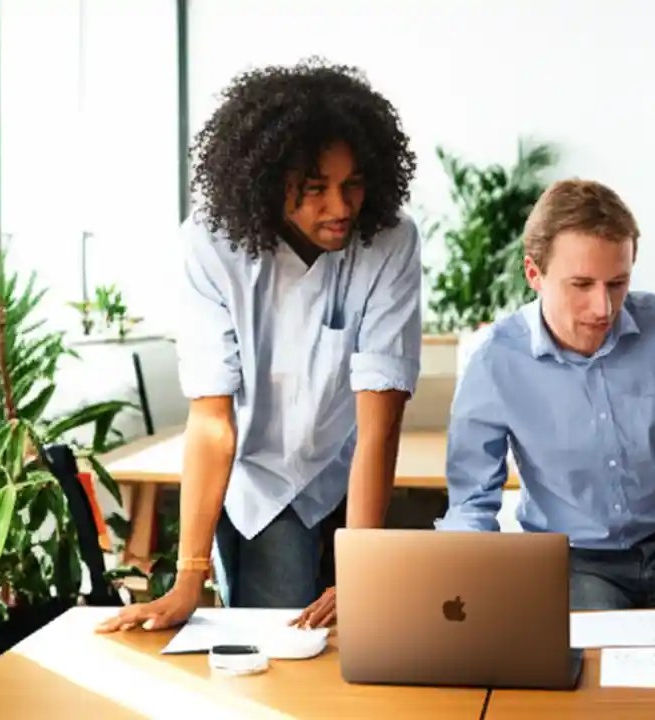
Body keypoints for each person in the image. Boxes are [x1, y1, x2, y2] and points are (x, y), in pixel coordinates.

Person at [97, 59, 421, 633]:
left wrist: (361, 569)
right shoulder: (211, 245)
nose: (341, 207)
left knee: (365, 628)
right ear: (270, 182)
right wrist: (187, 581)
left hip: (347, 462)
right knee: (280, 641)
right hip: (257, 477)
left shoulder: (389, 240)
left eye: (352, 184)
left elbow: (381, 421)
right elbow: (212, 421)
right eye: (315, 189)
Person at [437, 179, 655, 611]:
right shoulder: (495, 360)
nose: (603, 308)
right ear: (534, 274)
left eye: (617, 283)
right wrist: (463, 583)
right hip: (574, 561)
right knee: (585, 652)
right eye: (581, 284)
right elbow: (472, 500)